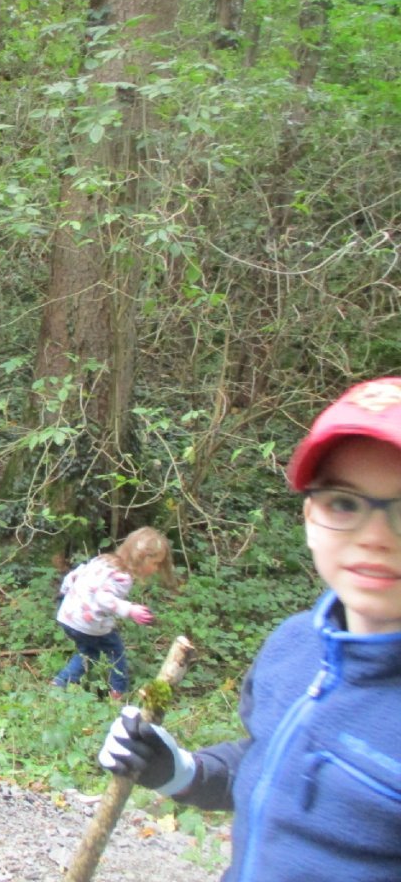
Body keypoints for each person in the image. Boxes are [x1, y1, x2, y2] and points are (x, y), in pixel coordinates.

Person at [98, 376, 401, 881]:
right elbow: (270, 762)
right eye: (344, 503)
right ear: (310, 517)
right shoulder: (294, 646)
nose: (373, 536)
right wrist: (180, 770)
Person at [51, 526, 172, 699]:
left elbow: (73, 576)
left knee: (88, 652)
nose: (156, 569)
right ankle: (118, 691)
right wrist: (129, 609)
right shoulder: (122, 577)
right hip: (88, 622)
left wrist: (63, 596)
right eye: (155, 563)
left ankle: (61, 682)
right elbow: (102, 598)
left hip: (68, 616)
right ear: (143, 559)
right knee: (116, 650)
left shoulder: (102, 560)